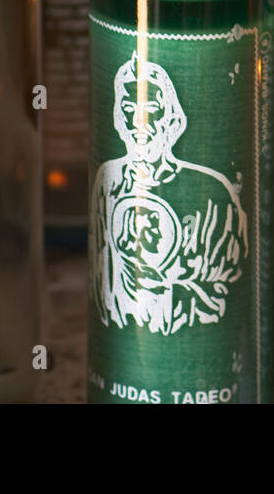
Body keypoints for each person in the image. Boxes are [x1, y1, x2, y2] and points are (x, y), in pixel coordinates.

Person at [90, 52, 247, 335]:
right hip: (119, 348)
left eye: (151, 108)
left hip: (199, 362)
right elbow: (98, 276)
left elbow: (228, 288)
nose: (138, 121)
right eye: (128, 107)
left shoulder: (212, 194)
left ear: (172, 121)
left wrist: (163, 299)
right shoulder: (107, 180)